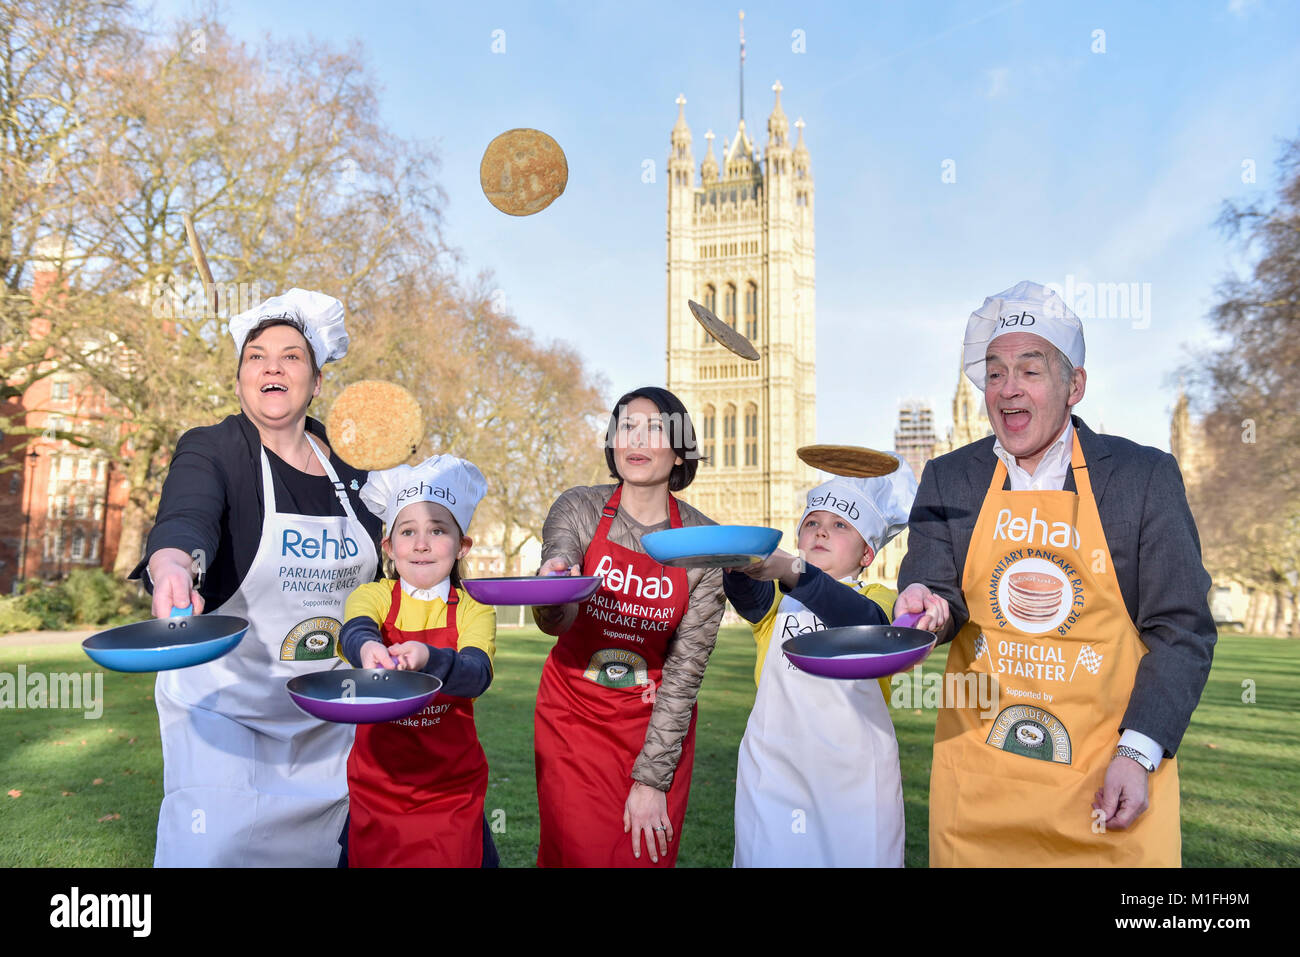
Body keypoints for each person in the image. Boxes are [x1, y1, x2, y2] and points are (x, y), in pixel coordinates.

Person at [895, 280, 1217, 866]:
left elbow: (1182, 630)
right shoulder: (949, 477)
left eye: (1030, 370)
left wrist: (1139, 752)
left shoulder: (1142, 479)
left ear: (1076, 386)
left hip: (1106, 782)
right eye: (994, 373)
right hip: (980, 794)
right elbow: (932, 586)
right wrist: (923, 604)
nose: (1008, 389)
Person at [133, 288, 382, 867]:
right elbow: (185, 516)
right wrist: (173, 565)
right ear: (242, 378)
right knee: (214, 848)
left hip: (331, 716)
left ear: (317, 381)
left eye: (291, 356)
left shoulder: (357, 469)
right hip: (226, 713)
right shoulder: (214, 448)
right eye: (256, 356)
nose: (272, 365)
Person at [531, 386, 726, 867]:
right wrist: (554, 583)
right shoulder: (577, 508)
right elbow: (554, 621)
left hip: (654, 726)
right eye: (626, 426)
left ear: (681, 450)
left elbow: (686, 671)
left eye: (655, 428)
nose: (636, 439)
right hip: (572, 722)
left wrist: (652, 779)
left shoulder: (705, 543)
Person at [724, 459, 946, 867]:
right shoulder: (776, 600)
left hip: (856, 781)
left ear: (867, 553)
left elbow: (869, 626)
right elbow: (747, 598)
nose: (822, 530)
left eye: (841, 525)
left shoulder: (880, 598)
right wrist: (738, 561)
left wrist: (795, 569)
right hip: (775, 774)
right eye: (812, 523)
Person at [337, 455, 498, 868]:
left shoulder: (474, 608)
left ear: (462, 545)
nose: (421, 544)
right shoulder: (373, 596)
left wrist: (430, 659)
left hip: (451, 789)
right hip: (378, 785)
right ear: (388, 546)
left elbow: (476, 674)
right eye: (407, 532)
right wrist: (368, 650)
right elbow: (354, 631)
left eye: (437, 531)